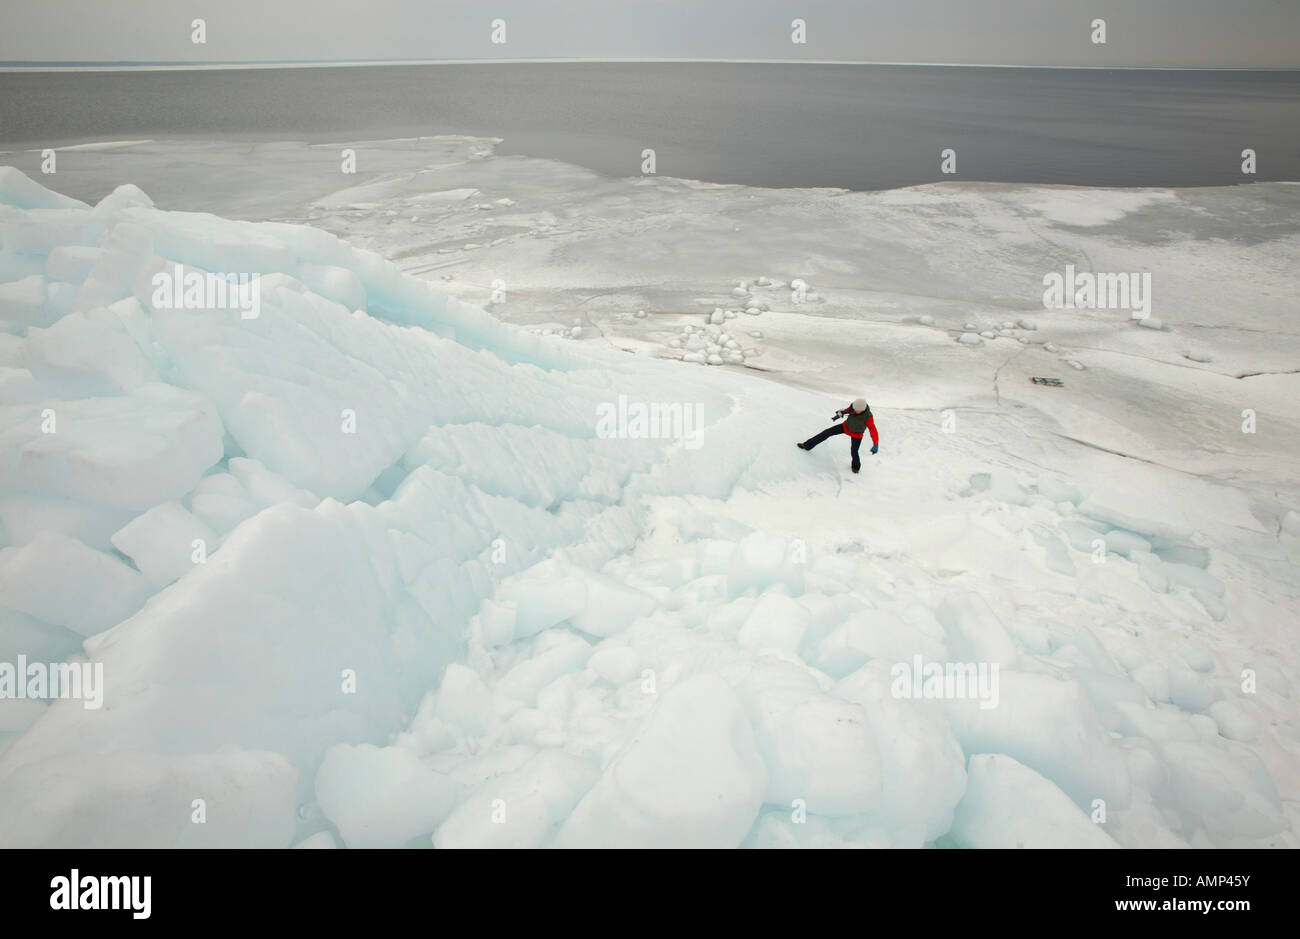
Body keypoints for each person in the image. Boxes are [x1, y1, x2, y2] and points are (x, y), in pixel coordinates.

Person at [797, 397, 878, 473]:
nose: (855, 410)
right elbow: (846, 411)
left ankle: (856, 467)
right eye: (854, 409)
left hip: (857, 434)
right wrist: (840, 413)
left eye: (857, 410)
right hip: (845, 427)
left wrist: (875, 444)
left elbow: (873, 431)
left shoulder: (868, 417)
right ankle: (807, 445)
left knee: (854, 451)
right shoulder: (853, 407)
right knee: (826, 432)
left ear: (863, 410)